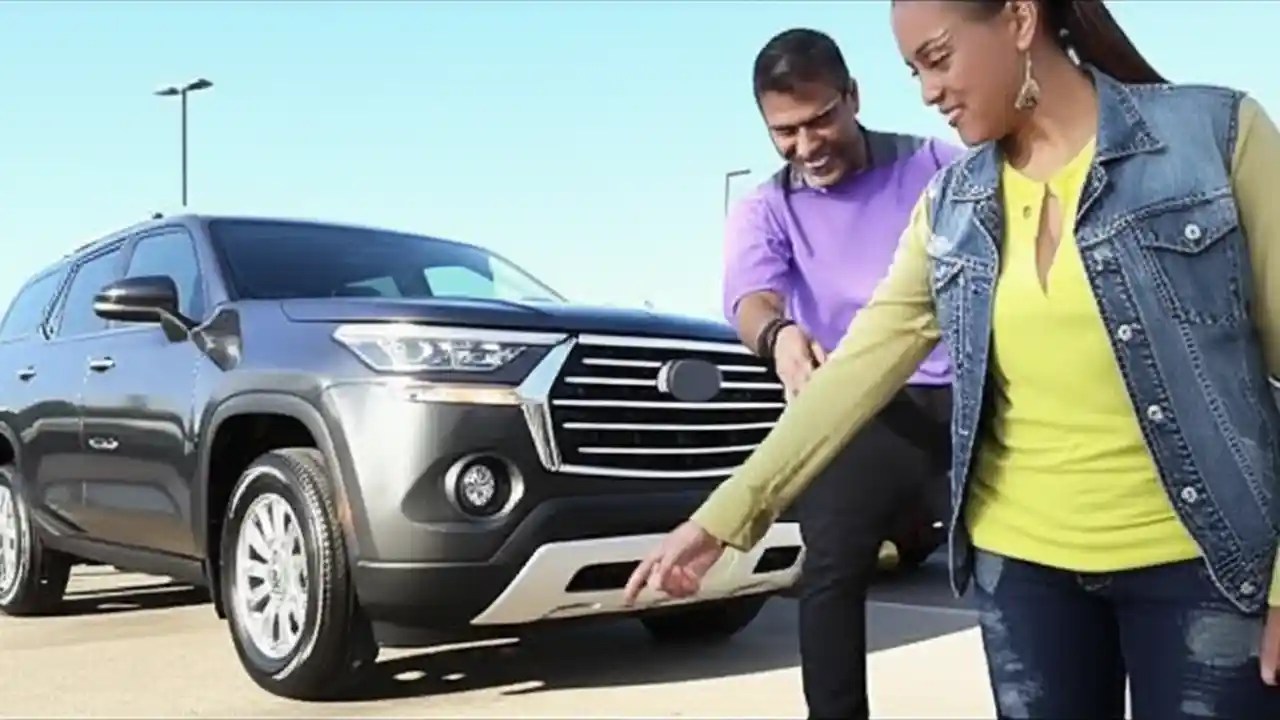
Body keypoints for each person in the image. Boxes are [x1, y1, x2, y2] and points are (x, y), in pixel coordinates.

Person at [626, 1, 1280, 718]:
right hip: (1026, 575)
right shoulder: (952, 206)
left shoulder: (1216, 138)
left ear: (1020, 19)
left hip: (1207, 569)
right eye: (914, 71)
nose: (928, 90)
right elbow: (854, 370)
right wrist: (723, 517)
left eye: (938, 59)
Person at [722, 28, 960, 720]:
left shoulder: (936, 166)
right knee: (828, 572)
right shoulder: (766, 207)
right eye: (785, 132)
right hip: (855, 409)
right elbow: (753, 299)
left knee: (1016, 570)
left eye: (822, 117)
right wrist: (779, 337)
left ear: (853, 97)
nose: (807, 145)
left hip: (962, 393)